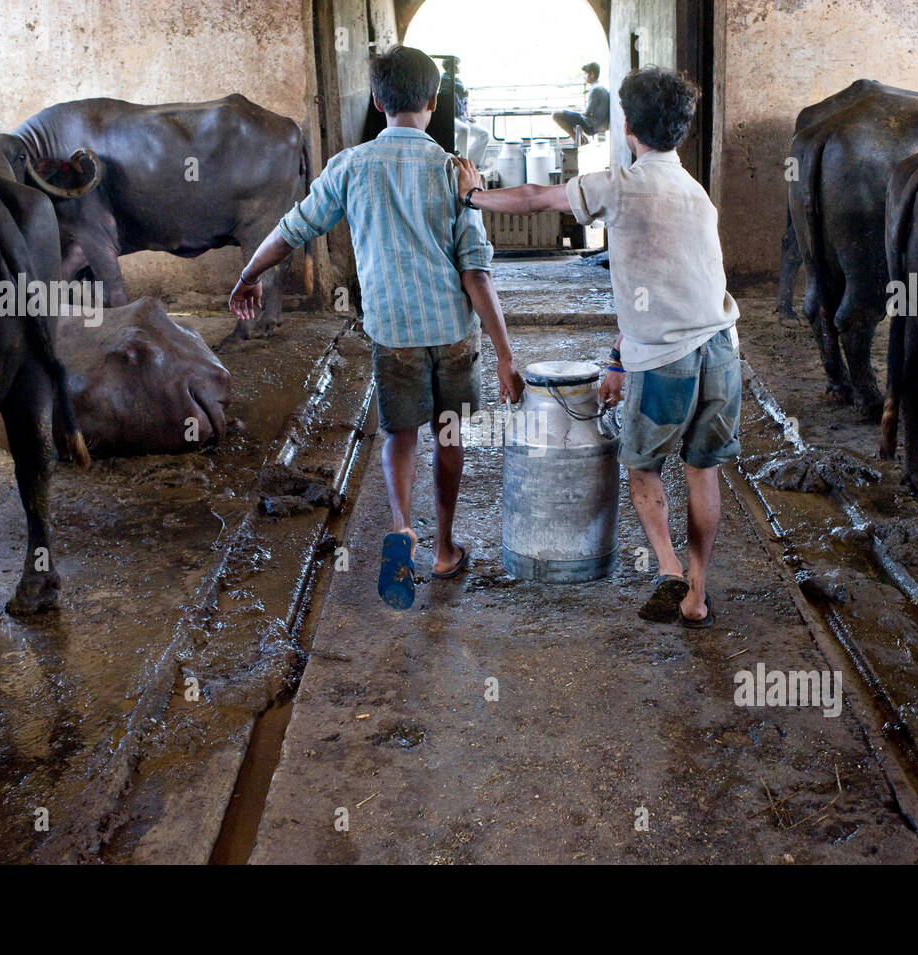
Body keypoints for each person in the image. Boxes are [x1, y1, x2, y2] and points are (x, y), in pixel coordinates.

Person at [230, 45, 524, 611]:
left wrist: (249, 274)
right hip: (455, 334)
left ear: (376, 100)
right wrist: (506, 354)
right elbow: (476, 272)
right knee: (450, 436)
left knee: (399, 435)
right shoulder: (455, 173)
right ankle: (442, 549)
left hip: (395, 334)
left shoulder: (349, 166)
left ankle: (400, 529)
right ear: (434, 102)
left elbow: (292, 229)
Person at [458, 66, 739, 628]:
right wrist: (615, 360)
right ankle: (697, 595)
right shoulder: (697, 195)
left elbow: (538, 197)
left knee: (640, 465)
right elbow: (664, 293)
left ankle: (665, 566)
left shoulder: (621, 184)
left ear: (628, 125)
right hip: (723, 350)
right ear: (681, 128)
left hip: (666, 364)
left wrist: (474, 196)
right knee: (703, 472)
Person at [442, 56, 490, 168]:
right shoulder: (446, 80)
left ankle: (471, 164)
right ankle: (461, 162)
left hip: (461, 117)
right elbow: (458, 90)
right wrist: (464, 90)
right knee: (464, 129)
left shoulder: (458, 81)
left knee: (484, 134)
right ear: (451, 66)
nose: (459, 67)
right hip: (449, 117)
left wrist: (468, 116)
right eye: (457, 64)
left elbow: (464, 102)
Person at [552, 62, 610, 144]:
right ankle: (581, 138)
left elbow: (587, 113)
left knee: (555, 115)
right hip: (598, 124)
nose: (584, 77)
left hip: (591, 125)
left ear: (592, 74)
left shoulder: (595, 90)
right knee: (570, 117)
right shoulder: (602, 88)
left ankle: (578, 139)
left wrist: (576, 113)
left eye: (585, 74)